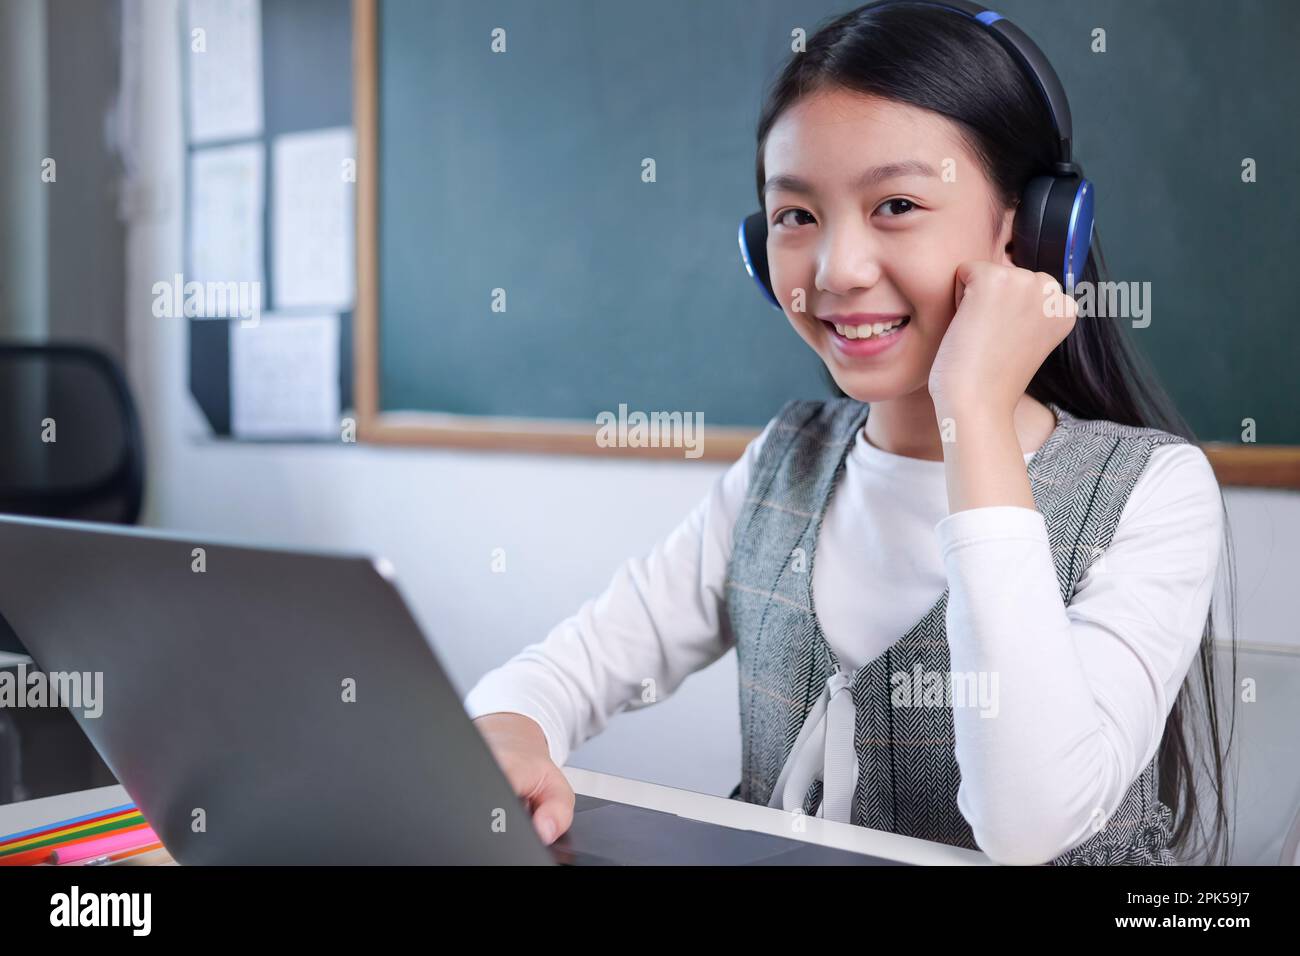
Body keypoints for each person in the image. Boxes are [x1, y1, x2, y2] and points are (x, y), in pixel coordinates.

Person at [467, 0, 1237, 866]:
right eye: (796, 216)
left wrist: (974, 413)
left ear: (1033, 226)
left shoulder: (1153, 491)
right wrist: (509, 727)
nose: (838, 270)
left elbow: (1030, 826)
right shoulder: (782, 464)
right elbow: (567, 669)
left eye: (897, 204)